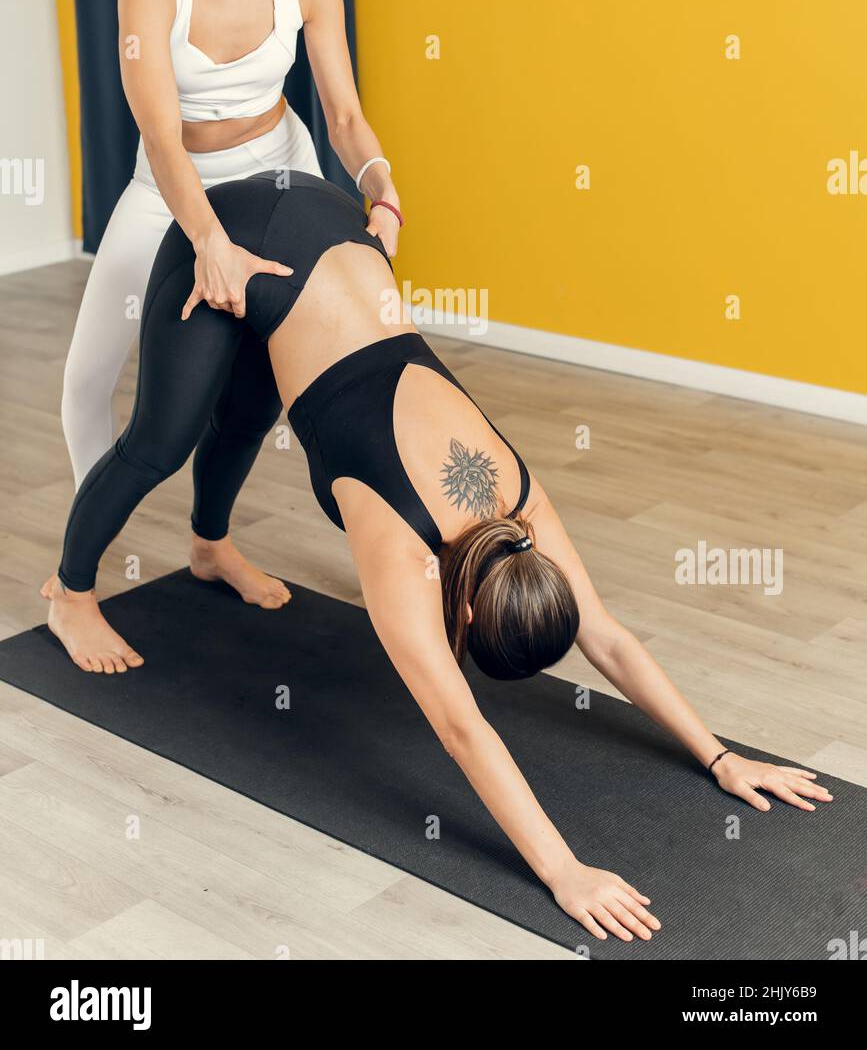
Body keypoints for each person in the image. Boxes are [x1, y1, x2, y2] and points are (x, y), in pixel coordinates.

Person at [41, 169, 832, 944]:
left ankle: (209, 549)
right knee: (160, 441)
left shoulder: (522, 510)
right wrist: (563, 871)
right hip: (235, 230)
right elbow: (460, 727)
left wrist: (723, 757)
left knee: (246, 414)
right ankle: (69, 594)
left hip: (325, 224)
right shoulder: (399, 543)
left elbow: (610, 638)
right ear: (458, 605)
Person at [60, 0, 403, 635]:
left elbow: (342, 113)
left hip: (279, 178)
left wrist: (381, 189)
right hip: (170, 190)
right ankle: (80, 576)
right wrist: (208, 242)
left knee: (251, 397)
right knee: (91, 379)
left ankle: (209, 545)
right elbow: (161, 135)